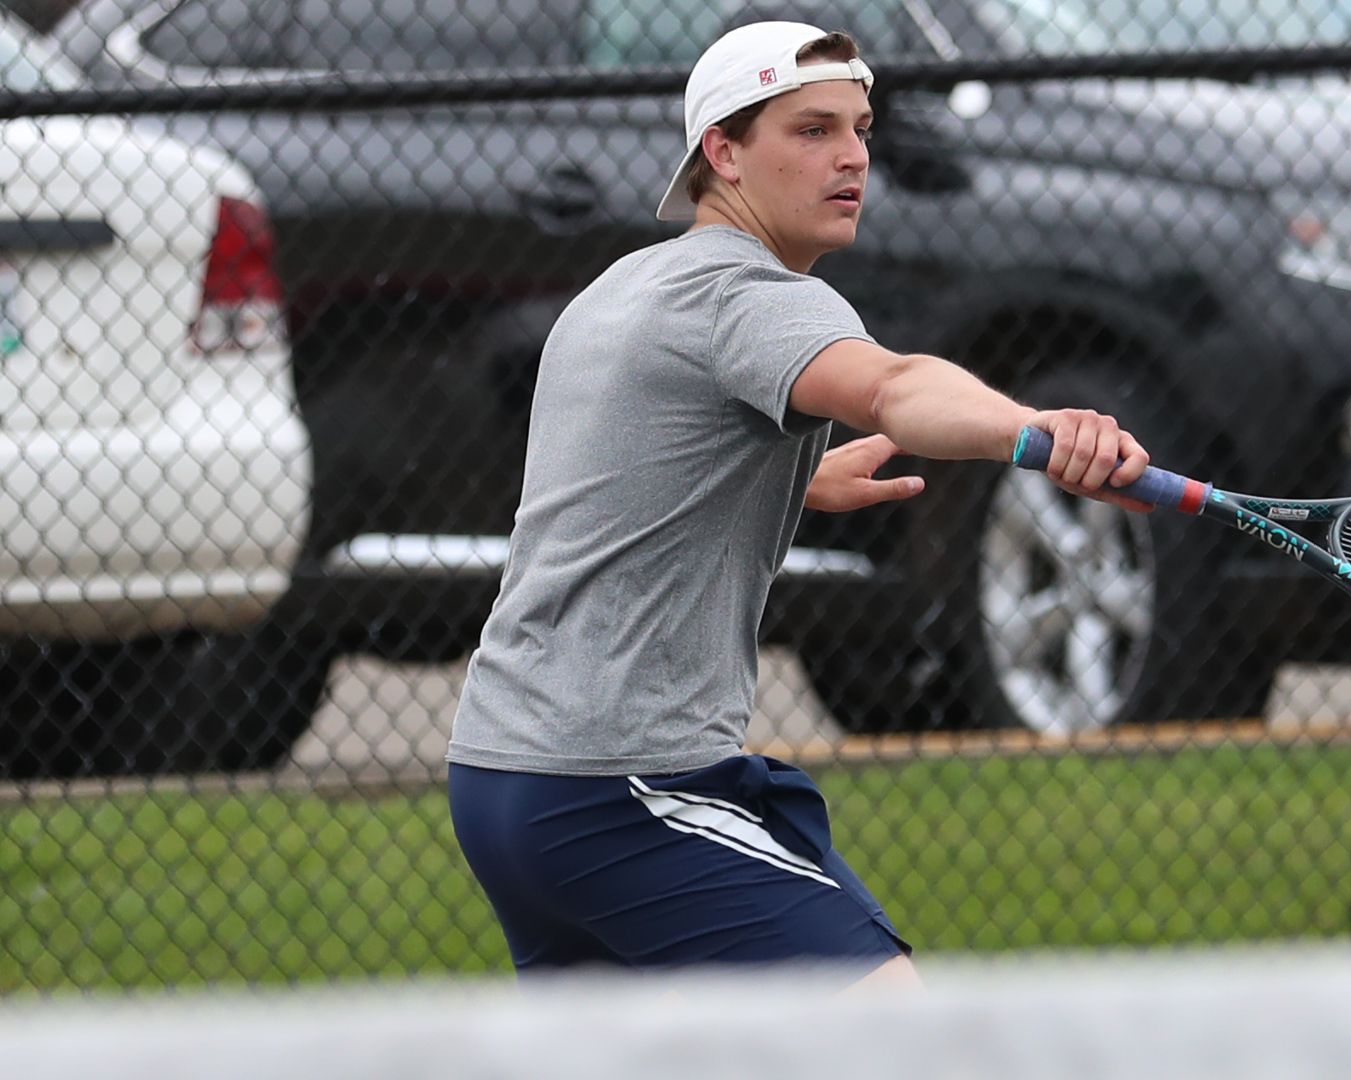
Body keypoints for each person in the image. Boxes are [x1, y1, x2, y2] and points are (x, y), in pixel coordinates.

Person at [446, 20, 1150, 989]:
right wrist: (1039, 430)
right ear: (723, 154)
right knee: (895, 1023)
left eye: (859, 128)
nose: (853, 155)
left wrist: (788, 479)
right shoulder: (755, 296)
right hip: (618, 784)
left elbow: (612, 476)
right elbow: (893, 386)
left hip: (499, 778)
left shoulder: (622, 288)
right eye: (812, 130)